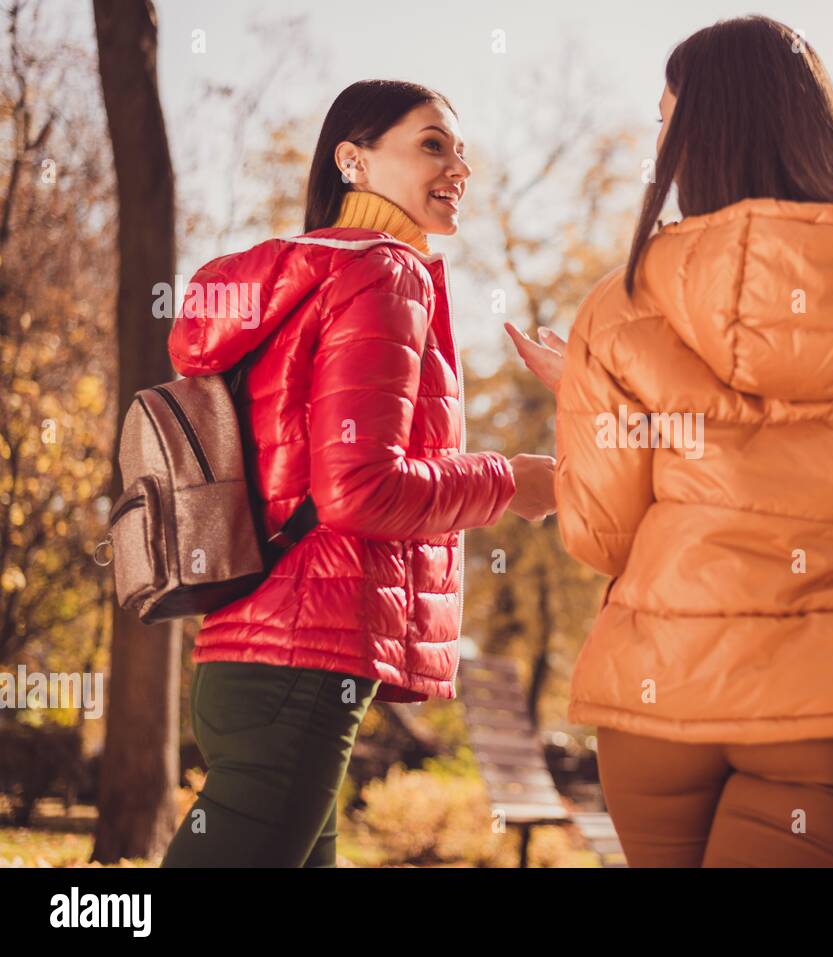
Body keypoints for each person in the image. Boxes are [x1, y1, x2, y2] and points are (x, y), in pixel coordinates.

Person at [507, 16, 833, 866]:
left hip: (658, 701)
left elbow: (600, 537)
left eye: (665, 116)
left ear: (693, 135)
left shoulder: (620, 307)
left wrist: (596, 410)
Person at [161, 79, 556, 867]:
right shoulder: (385, 275)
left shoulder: (298, 281)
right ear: (354, 161)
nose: (459, 169)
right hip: (303, 662)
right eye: (432, 144)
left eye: (463, 152)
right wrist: (511, 482)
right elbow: (359, 488)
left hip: (246, 653)